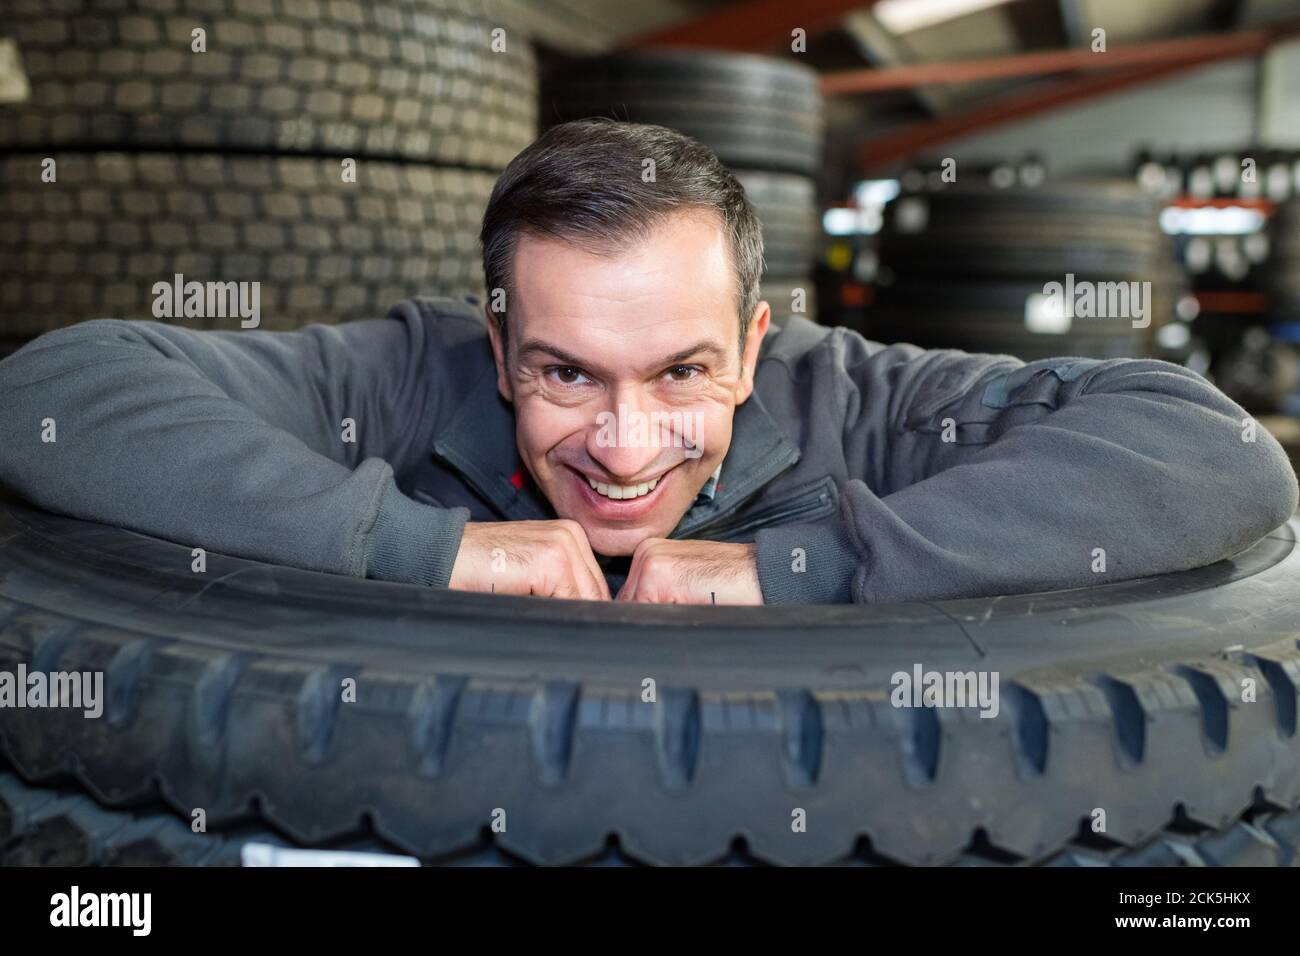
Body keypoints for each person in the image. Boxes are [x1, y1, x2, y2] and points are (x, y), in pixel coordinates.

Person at [0, 120, 1295, 604]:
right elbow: (53, 394)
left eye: (681, 374)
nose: (622, 451)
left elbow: (1214, 450)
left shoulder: (857, 399)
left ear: (752, 349)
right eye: (565, 374)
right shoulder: (408, 372)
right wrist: (424, 550)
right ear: (499, 346)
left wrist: (810, 568)